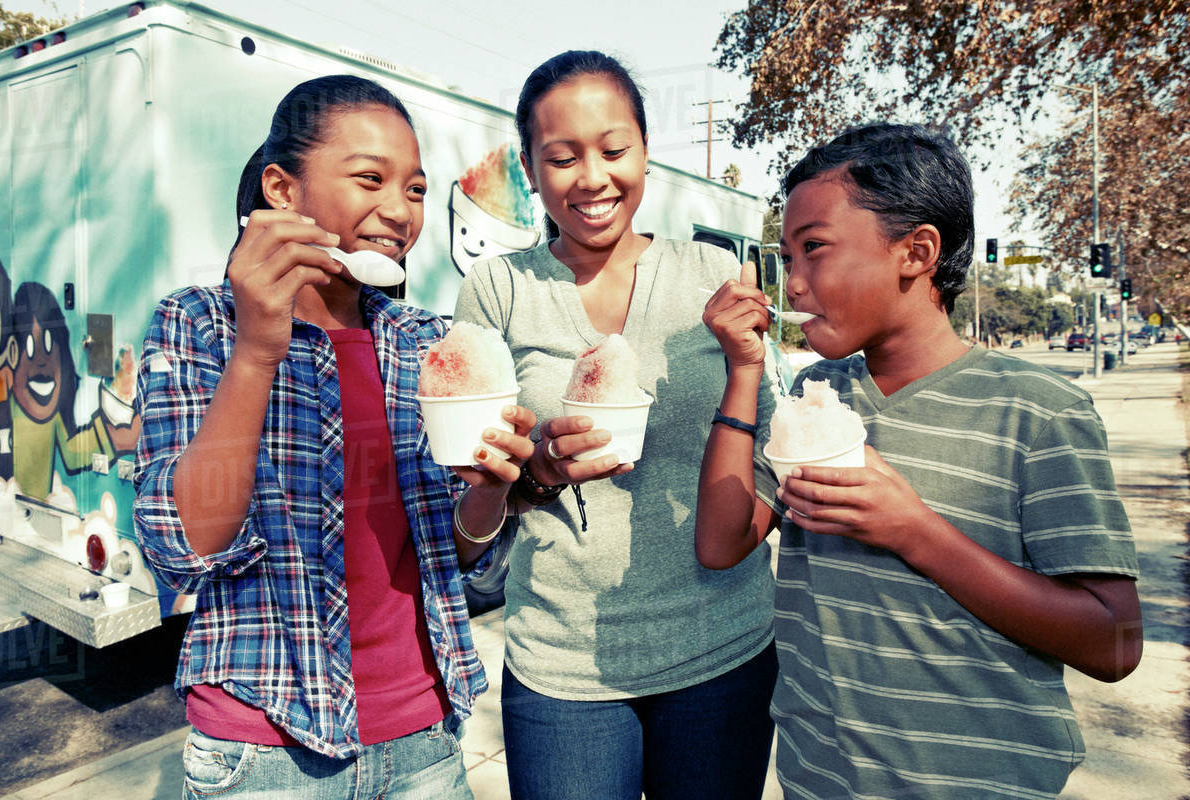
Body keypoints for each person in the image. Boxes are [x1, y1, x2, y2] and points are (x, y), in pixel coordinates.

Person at [697, 122, 1143, 799]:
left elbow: (1114, 644)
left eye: (814, 250)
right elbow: (721, 543)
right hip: (821, 780)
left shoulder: (1039, 412)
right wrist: (744, 371)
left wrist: (915, 531)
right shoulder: (813, 400)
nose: (792, 285)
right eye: (786, 259)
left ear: (918, 252)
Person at [132, 74, 534, 800]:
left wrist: (491, 494)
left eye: (415, 189)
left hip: (423, 742)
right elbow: (185, 549)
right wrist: (259, 348)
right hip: (263, 751)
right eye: (370, 179)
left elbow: (462, 553)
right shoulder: (199, 324)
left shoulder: (424, 341)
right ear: (283, 191)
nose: (400, 212)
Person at [454, 50, 778, 800]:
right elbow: (472, 514)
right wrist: (536, 471)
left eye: (614, 149)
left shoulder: (711, 274)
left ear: (645, 154)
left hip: (723, 653)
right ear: (531, 171)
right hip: (562, 668)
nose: (592, 177)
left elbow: (771, 448)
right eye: (562, 156)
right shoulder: (498, 290)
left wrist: (741, 528)